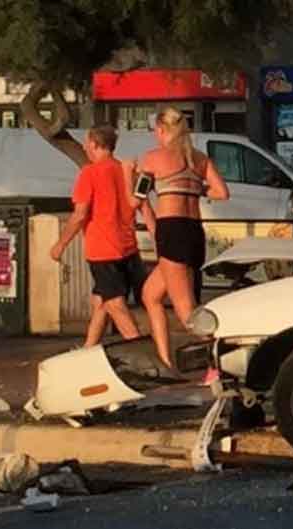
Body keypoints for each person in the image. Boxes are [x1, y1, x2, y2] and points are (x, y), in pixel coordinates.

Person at [125, 108, 229, 378]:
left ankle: (219, 365)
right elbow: (222, 192)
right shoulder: (199, 158)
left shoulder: (153, 158)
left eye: (155, 132)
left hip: (172, 230)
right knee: (150, 295)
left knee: (186, 310)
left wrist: (128, 173)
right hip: (194, 231)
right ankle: (165, 362)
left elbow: (134, 200)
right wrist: (194, 187)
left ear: (161, 130)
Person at [51, 125, 152, 347]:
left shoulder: (90, 173)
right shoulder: (125, 171)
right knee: (101, 302)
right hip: (128, 248)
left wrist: (60, 244)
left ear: (95, 145)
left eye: (87, 143)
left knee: (116, 306)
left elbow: (80, 214)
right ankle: (88, 349)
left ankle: (141, 354)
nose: (85, 147)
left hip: (103, 251)